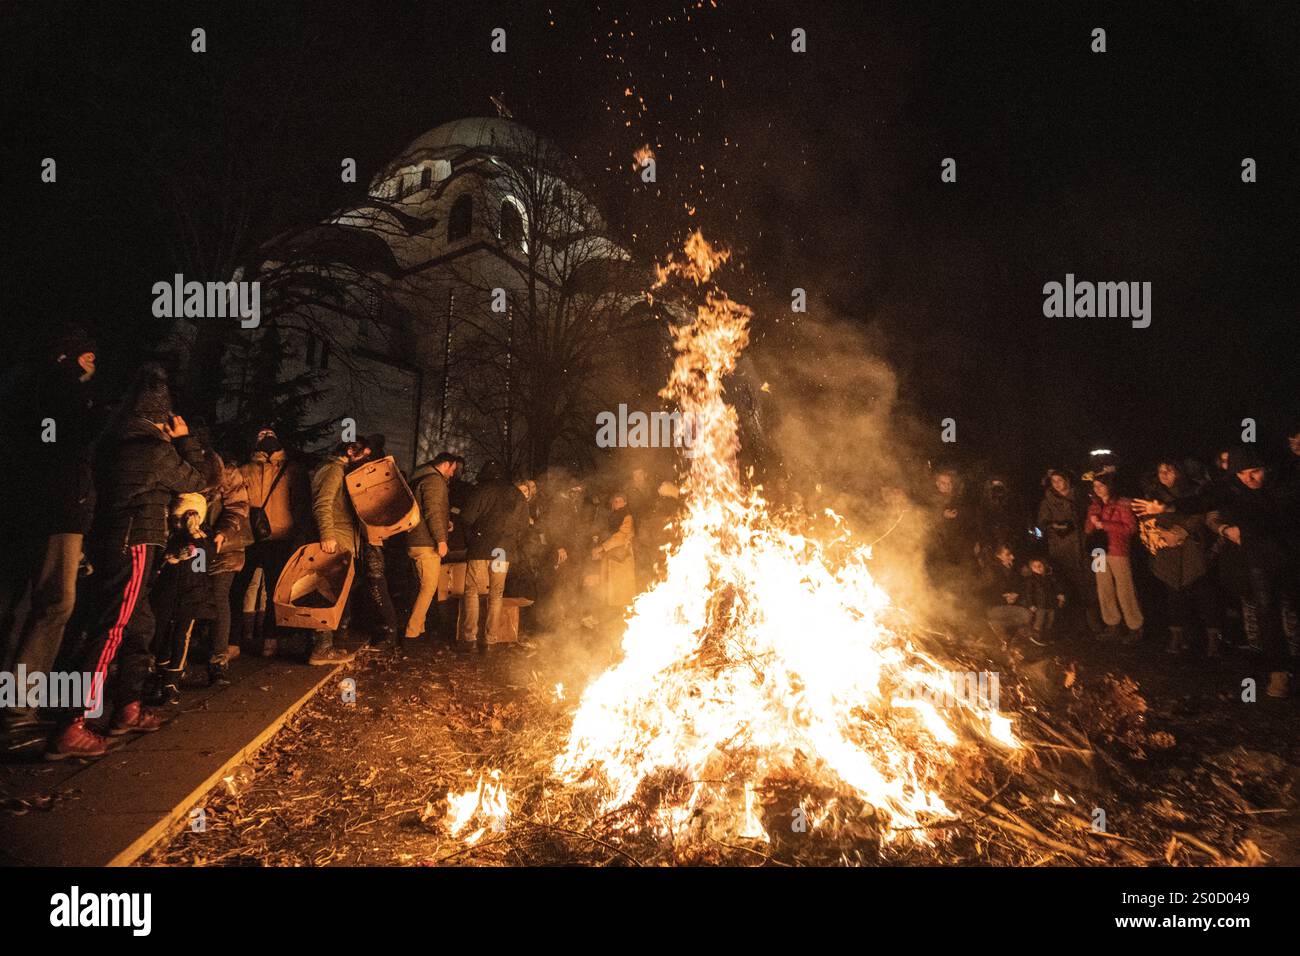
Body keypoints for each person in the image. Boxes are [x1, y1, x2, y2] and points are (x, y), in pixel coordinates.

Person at [48, 365, 209, 759]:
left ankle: (128, 708)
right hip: (134, 542)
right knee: (113, 629)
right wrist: (185, 442)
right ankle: (72, 724)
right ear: (161, 417)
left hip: (116, 541)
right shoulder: (153, 450)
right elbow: (198, 480)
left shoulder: (110, 443)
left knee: (139, 624)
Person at [2, 326, 100, 753]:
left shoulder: (26, 389)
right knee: (55, 603)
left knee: (23, 605)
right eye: (89, 357)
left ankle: (14, 706)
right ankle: (18, 714)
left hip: (34, 512)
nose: (95, 364)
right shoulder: (62, 395)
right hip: (58, 513)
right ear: (74, 357)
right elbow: (66, 450)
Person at [1207, 447, 1294, 698]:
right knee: (1265, 611)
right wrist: (1168, 507)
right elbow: (1207, 507)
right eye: (1241, 472)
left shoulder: (1282, 488)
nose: (1248, 478)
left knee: (1288, 610)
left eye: (1254, 471)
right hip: (1257, 561)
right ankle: (1277, 670)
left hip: (1288, 557)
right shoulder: (1231, 490)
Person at [1132, 459, 1223, 656]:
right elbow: (1146, 518)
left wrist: (1182, 530)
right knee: (1174, 593)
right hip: (1168, 551)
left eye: (1169, 470)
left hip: (1193, 549)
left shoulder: (1195, 491)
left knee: (1204, 593)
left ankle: (1213, 637)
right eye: (1160, 471)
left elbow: (1200, 513)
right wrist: (1153, 532)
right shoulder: (1154, 495)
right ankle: (1178, 635)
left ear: (1179, 472)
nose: (1164, 474)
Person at [234, 426, 309, 657]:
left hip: (280, 538)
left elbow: (302, 504)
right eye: (262, 437)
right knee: (238, 589)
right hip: (249, 538)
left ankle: (270, 638)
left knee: (274, 590)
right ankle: (233, 640)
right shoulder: (245, 470)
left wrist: (298, 534)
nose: (266, 440)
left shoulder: (292, 470)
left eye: (270, 437)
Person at [149, 493, 216, 705]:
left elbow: (202, 565)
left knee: (181, 636)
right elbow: (157, 562)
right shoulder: (167, 535)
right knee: (160, 635)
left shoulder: (202, 539)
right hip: (166, 595)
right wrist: (170, 558)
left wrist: (195, 540)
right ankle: (161, 671)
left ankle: (172, 680)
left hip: (191, 594)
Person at [307, 441, 366, 665]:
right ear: (350, 451)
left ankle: (327, 645)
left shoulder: (338, 470)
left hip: (341, 540)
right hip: (335, 541)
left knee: (334, 593)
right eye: (363, 454)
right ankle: (321, 649)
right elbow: (323, 503)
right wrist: (327, 536)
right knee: (327, 593)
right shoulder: (333, 469)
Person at [458, 475, 531, 651]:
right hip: (503, 551)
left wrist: (472, 538)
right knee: (496, 594)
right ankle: (490, 640)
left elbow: (466, 517)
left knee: (472, 591)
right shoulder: (517, 495)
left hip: (480, 548)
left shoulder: (481, 490)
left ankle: (470, 639)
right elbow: (523, 527)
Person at [200, 443, 248, 683]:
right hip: (197, 547)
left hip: (225, 547)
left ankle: (218, 659)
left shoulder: (227, 473)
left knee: (219, 596)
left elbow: (238, 506)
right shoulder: (186, 467)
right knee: (195, 597)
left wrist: (223, 531)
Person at [1037, 469, 1101, 636]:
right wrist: (1055, 526)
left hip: (1083, 546)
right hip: (1061, 548)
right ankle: (1076, 624)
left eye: (1060, 480)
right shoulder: (1048, 501)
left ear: (1067, 480)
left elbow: (1091, 514)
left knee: (1089, 582)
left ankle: (1095, 622)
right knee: (1068, 584)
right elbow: (1042, 523)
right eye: (1054, 481)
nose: (1057, 484)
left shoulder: (1080, 497)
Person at [1086, 473, 1144, 642]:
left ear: (1109, 486)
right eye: (1095, 486)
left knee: (1124, 588)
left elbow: (1130, 528)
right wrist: (1092, 523)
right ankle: (1112, 624)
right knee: (1103, 588)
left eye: (1101, 486)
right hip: (1098, 551)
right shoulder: (1094, 505)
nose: (1097, 489)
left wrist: (1104, 525)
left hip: (1117, 550)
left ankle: (1135, 626)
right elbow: (1088, 529)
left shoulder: (1122, 504)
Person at [404, 452, 456, 640]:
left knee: (422, 586)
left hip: (416, 540)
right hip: (426, 542)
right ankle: (411, 632)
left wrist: (445, 522)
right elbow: (432, 511)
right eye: (453, 469)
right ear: (445, 465)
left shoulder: (420, 478)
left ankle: (419, 629)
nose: (453, 473)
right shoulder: (434, 481)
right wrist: (441, 540)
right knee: (429, 587)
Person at [591, 492, 637, 612]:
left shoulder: (627, 516)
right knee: (611, 589)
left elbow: (621, 536)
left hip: (621, 556)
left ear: (625, 503)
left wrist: (602, 547)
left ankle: (623, 616)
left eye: (619, 501)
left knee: (621, 590)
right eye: (615, 501)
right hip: (611, 555)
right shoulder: (613, 516)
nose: (616, 503)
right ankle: (611, 614)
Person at [981, 544, 1032, 644]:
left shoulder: (1013, 568)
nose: (1012, 557)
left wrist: (1016, 594)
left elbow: (1021, 585)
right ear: (998, 556)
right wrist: (1004, 598)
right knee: (1026, 615)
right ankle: (996, 624)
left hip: (1009, 605)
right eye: (1008, 554)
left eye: (1012, 554)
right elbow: (987, 590)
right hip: (994, 607)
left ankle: (1005, 633)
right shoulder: (991, 570)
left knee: (1026, 616)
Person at [1022, 556, 1066, 646]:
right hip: (1040, 605)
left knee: (1050, 621)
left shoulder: (1049, 578)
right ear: (1031, 568)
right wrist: (1031, 604)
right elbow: (1029, 593)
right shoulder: (1031, 580)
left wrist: (1060, 595)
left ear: (1044, 566)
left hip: (1051, 604)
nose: (1038, 568)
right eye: (1035, 566)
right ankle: (1036, 637)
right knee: (1039, 621)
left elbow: (1056, 588)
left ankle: (1046, 637)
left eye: (1040, 566)